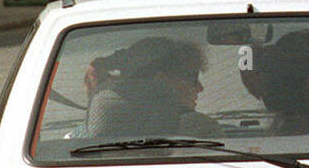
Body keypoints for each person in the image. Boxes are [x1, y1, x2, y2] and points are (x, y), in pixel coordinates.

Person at [86, 38, 218, 139]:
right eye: (193, 77)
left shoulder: (74, 143)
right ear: (161, 81)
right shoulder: (202, 131)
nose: (200, 88)